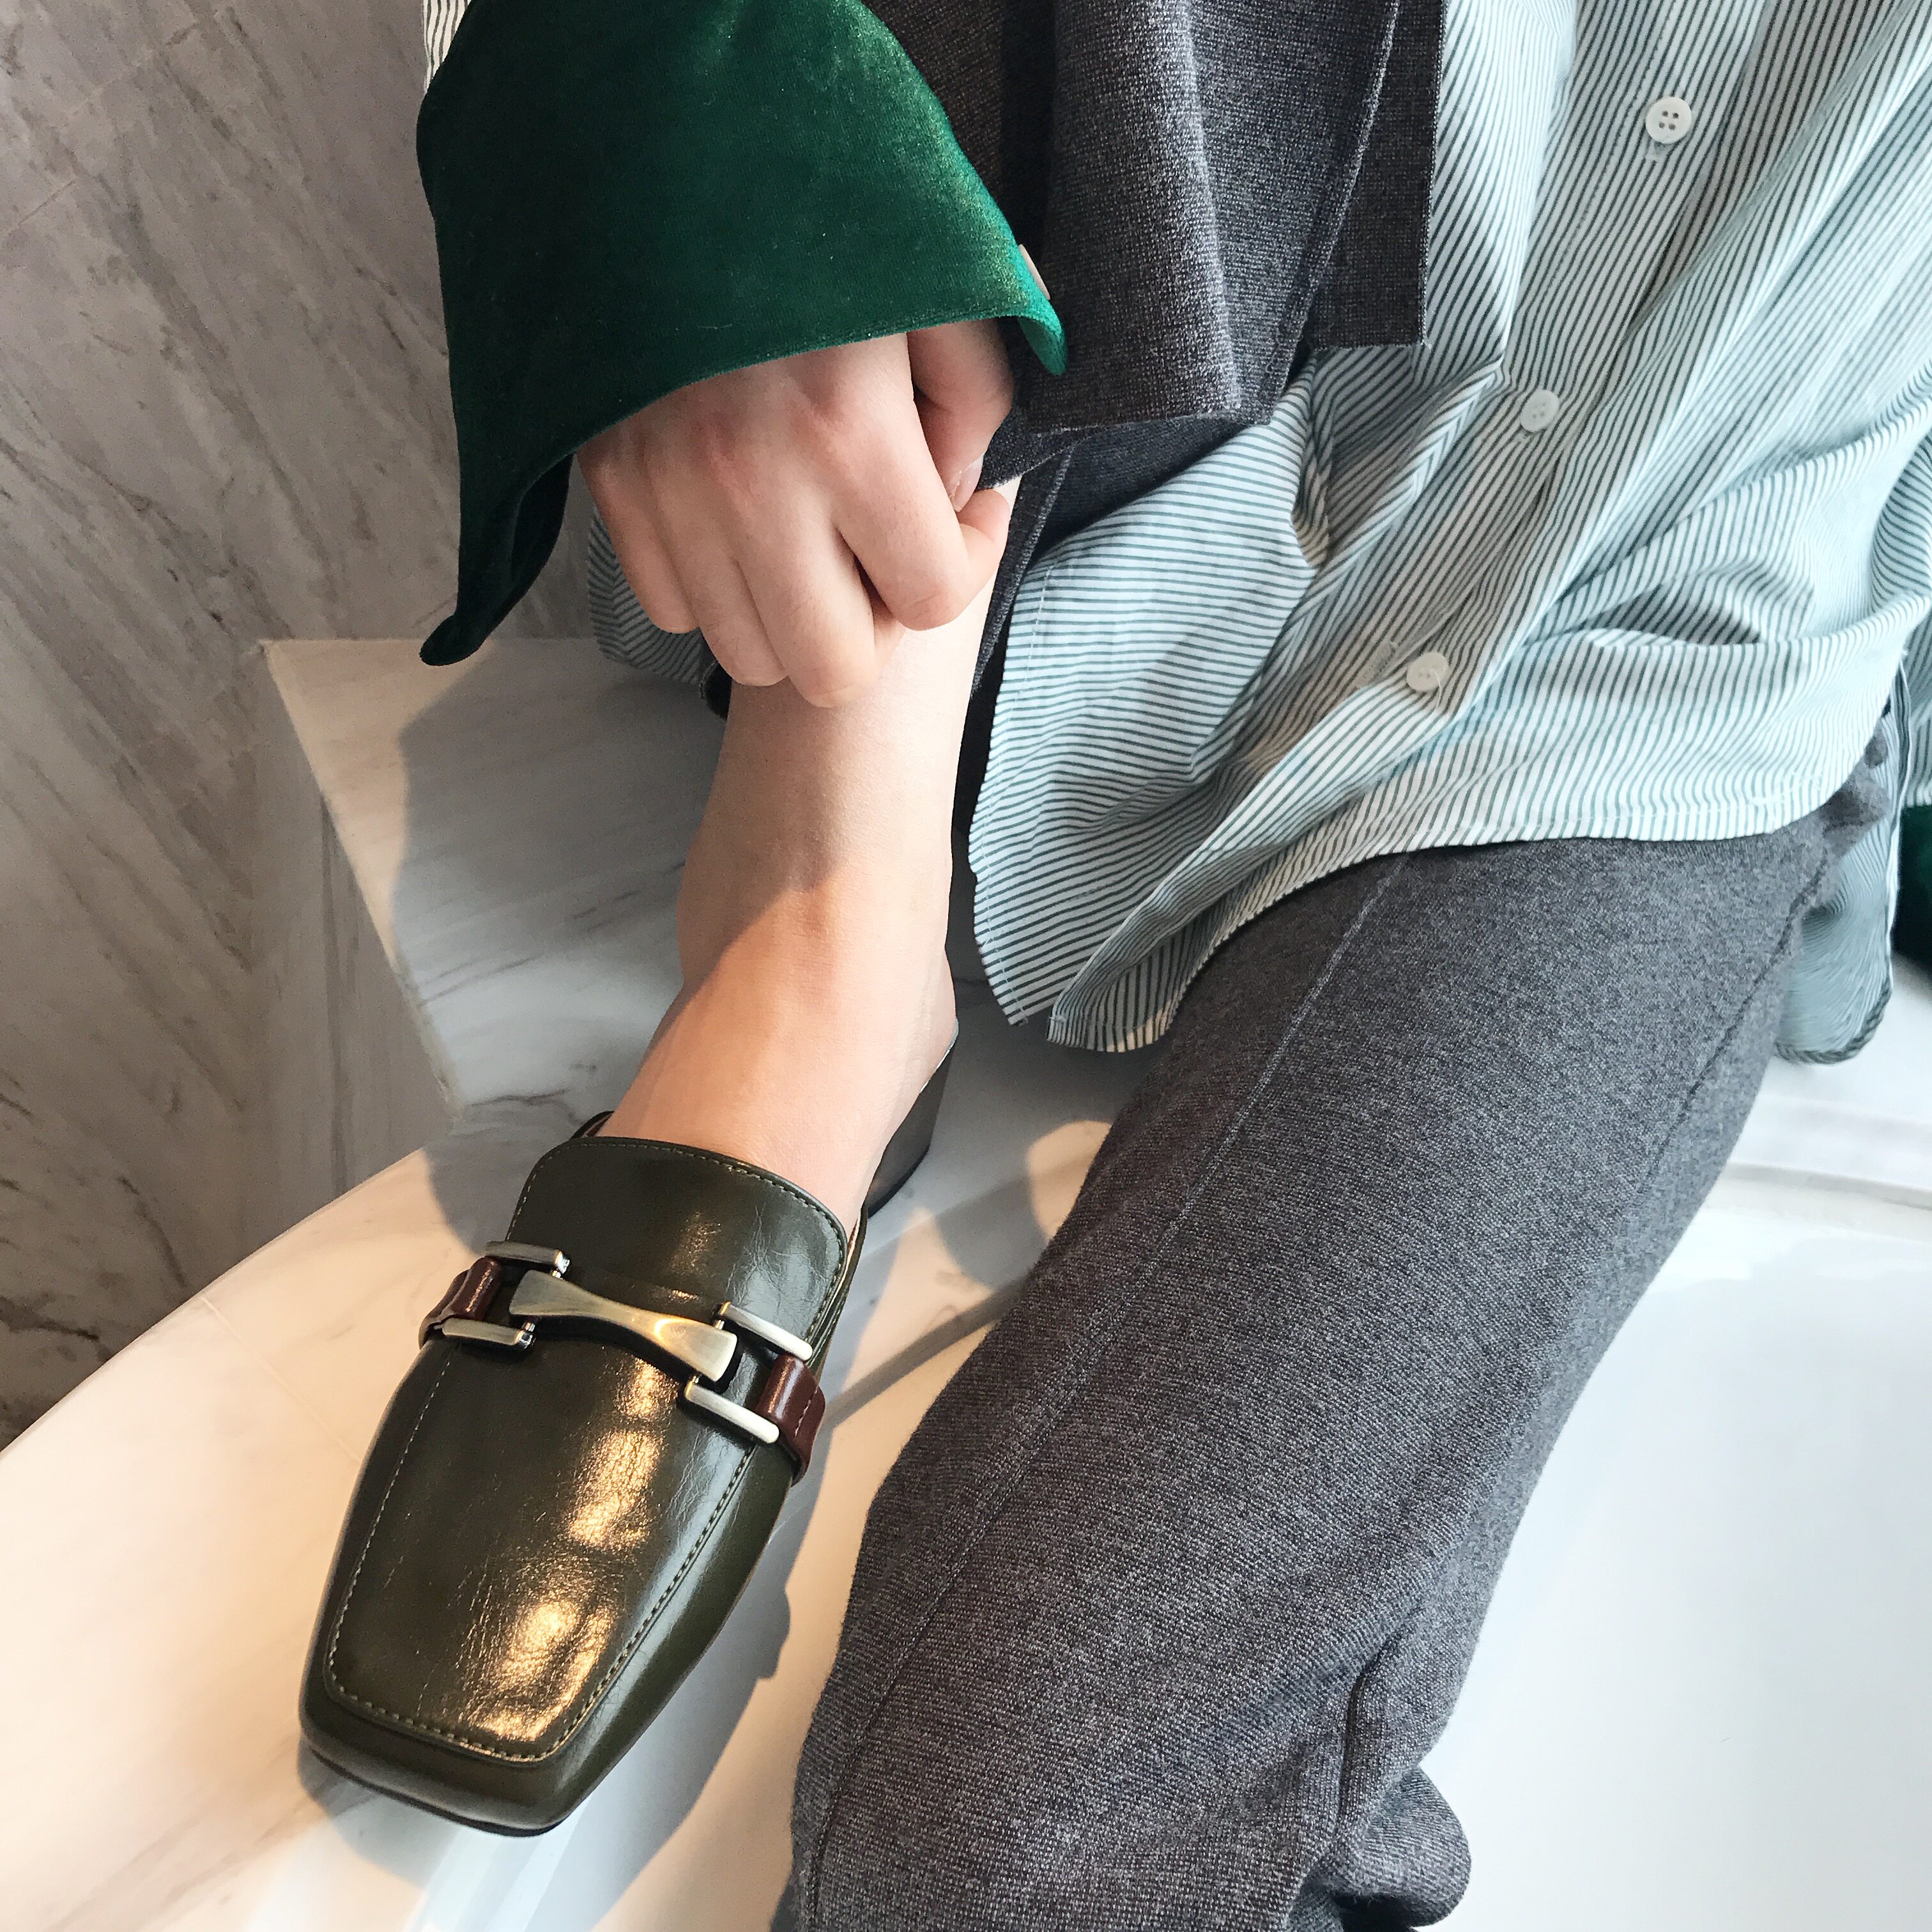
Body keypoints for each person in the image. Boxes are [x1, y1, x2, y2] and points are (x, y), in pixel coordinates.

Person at [303, 1, 1932, 1924]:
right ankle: (823, 924)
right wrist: (690, 125)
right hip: (1049, 486)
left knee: (1026, 1833)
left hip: (1644, 644)